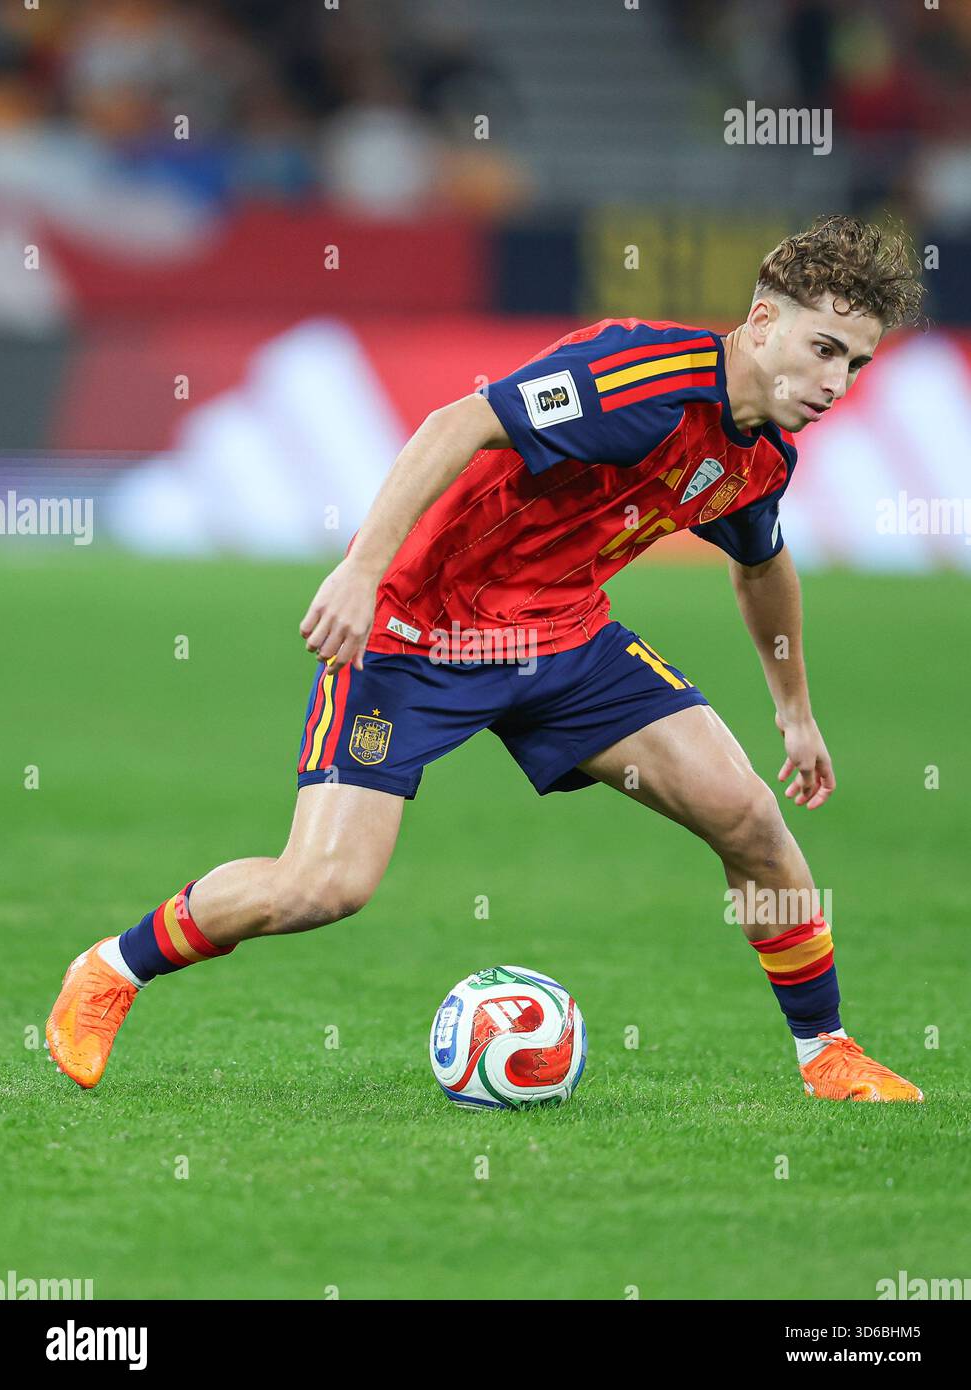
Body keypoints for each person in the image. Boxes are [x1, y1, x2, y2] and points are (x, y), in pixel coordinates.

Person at [47, 214, 925, 1102]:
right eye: (822, 350)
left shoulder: (762, 453)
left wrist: (795, 709)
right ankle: (112, 968)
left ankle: (827, 1052)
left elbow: (762, 564)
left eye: (854, 364)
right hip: (417, 634)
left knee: (747, 819)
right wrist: (361, 572)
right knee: (320, 887)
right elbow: (457, 423)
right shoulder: (643, 377)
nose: (835, 383)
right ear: (763, 324)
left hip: (565, 637)